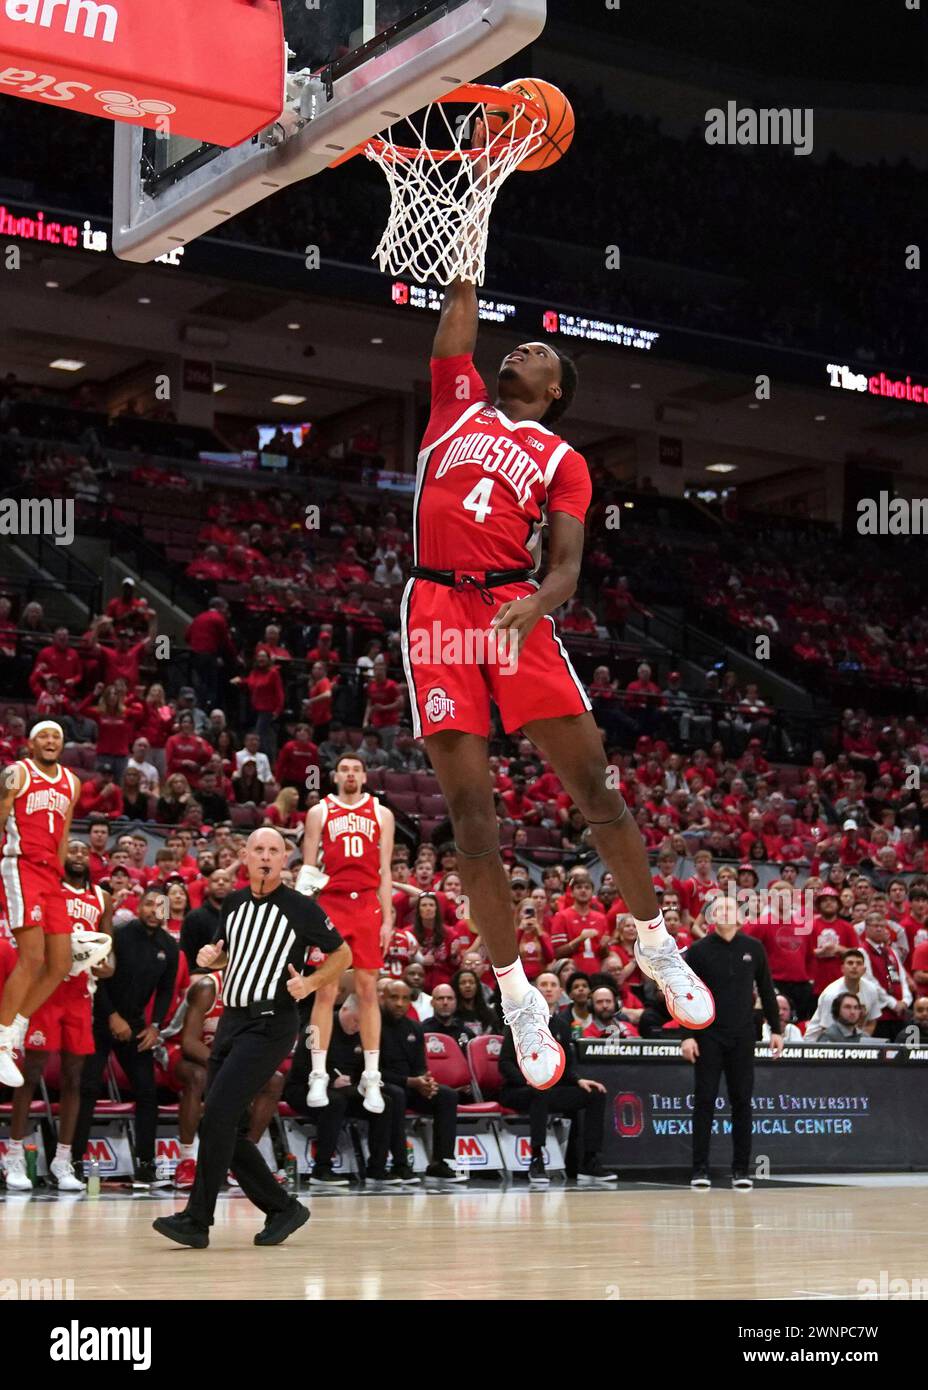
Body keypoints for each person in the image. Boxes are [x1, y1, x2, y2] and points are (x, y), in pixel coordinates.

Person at [398, 153, 713, 1094]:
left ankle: (655, 942)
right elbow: (452, 334)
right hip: (434, 604)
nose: (519, 352)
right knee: (469, 818)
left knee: (594, 789)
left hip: (512, 605)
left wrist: (534, 604)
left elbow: (568, 567)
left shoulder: (562, 456)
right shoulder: (455, 406)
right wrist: (464, 255)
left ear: (557, 388)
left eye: (536, 354)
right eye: (518, 346)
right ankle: (514, 993)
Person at [153, 828, 351, 1248]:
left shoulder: (302, 908)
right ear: (244, 856)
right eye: (258, 849)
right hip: (231, 1021)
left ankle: (197, 1219)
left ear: (284, 860)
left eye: (273, 851)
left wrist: (311, 983)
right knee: (218, 1124)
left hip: (270, 1024)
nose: (265, 856)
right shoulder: (236, 902)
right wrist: (213, 957)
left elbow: (343, 955)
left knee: (219, 1118)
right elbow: (233, 952)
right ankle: (282, 1207)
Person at [2, 839, 112, 1192]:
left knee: (74, 1079)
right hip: (46, 992)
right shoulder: (47, 892)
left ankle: (63, 1160)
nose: (78, 856)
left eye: (84, 852)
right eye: (73, 850)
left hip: (80, 996)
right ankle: (14, 1153)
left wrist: (97, 961)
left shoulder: (102, 898)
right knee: (29, 1072)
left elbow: (110, 960)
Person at [298, 753, 395, 1115]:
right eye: (344, 770)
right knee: (327, 989)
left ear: (365, 776)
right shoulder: (319, 812)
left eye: (357, 769)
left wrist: (387, 918)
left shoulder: (382, 813)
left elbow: (385, 870)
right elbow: (308, 869)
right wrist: (304, 918)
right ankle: (318, 1073)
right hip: (331, 903)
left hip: (367, 903)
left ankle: (372, 1076)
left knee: (369, 989)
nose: (351, 774)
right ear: (335, 776)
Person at [72, 888, 179, 1184]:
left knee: (147, 1092)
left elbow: (167, 990)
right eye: (149, 904)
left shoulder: (169, 946)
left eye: (161, 906)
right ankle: (74, 1161)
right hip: (100, 1017)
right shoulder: (118, 934)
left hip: (135, 1024)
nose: (154, 910)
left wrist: (155, 1025)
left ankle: (146, 1163)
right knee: (88, 1088)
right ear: (138, 906)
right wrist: (111, 1016)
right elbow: (97, 977)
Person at [681, 896, 782, 1190]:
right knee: (704, 1101)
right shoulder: (699, 951)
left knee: (742, 1101)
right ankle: (700, 1169)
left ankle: (741, 1170)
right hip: (708, 1035)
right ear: (711, 917)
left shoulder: (753, 948)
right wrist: (686, 1034)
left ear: (740, 917)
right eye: (718, 909)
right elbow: (686, 994)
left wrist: (776, 1029)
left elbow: (766, 987)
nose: (724, 912)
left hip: (742, 1035)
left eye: (729, 908)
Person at [0, 721, 80, 1086]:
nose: (50, 741)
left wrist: (63, 875)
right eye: (44, 736)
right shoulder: (16, 773)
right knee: (32, 956)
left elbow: (63, 832)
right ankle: (1, 1042)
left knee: (61, 963)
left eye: (56, 737)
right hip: (21, 865)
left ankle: (15, 1027)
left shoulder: (72, 782)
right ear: (31, 743)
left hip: (51, 875)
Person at [157, 967, 285, 1190]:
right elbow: (189, 1043)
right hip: (181, 1049)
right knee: (199, 1077)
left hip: (225, 1056)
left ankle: (245, 1163)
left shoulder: (258, 991)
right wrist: (230, 1066)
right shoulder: (208, 988)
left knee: (274, 1080)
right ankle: (187, 1160)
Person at [284, 993, 414, 1188]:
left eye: (363, 1023)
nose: (358, 1026)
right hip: (303, 1089)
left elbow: (362, 1069)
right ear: (343, 1010)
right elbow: (301, 1067)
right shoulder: (318, 1027)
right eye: (356, 1020)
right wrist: (331, 1080)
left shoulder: (362, 1034)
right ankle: (321, 1169)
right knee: (335, 1101)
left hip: (346, 1089)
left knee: (387, 1100)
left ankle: (378, 1169)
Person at [500, 971, 616, 1186]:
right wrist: (527, 1078)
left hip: (549, 1090)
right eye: (543, 984)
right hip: (518, 1090)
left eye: (553, 984)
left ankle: (590, 1161)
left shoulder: (562, 1025)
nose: (548, 988)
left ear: (560, 992)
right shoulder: (519, 1021)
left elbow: (566, 1065)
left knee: (595, 1094)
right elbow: (505, 1063)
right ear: (534, 991)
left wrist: (579, 1080)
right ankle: (537, 1159)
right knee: (540, 1091)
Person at [379, 978, 466, 1184]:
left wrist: (426, 1082)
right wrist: (411, 1082)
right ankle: (400, 1164)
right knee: (396, 1095)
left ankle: (440, 1162)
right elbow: (373, 1070)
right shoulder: (374, 1025)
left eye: (405, 998)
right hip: (383, 1085)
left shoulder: (415, 1028)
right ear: (383, 998)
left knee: (446, 1095)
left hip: (411, 1085)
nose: (400, 1003)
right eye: (394, 998)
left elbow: (420, 1065)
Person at [803, 948, 899, 1042]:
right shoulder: (831, 995)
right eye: (850, 963)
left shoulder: (871, 990)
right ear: (842, 968)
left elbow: (871, 1022)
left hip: (851, 1041)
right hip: (817, 1044)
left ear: (864, 970)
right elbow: (828, 1031)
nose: (854, 966)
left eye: (858, 963)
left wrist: (860, 1044)